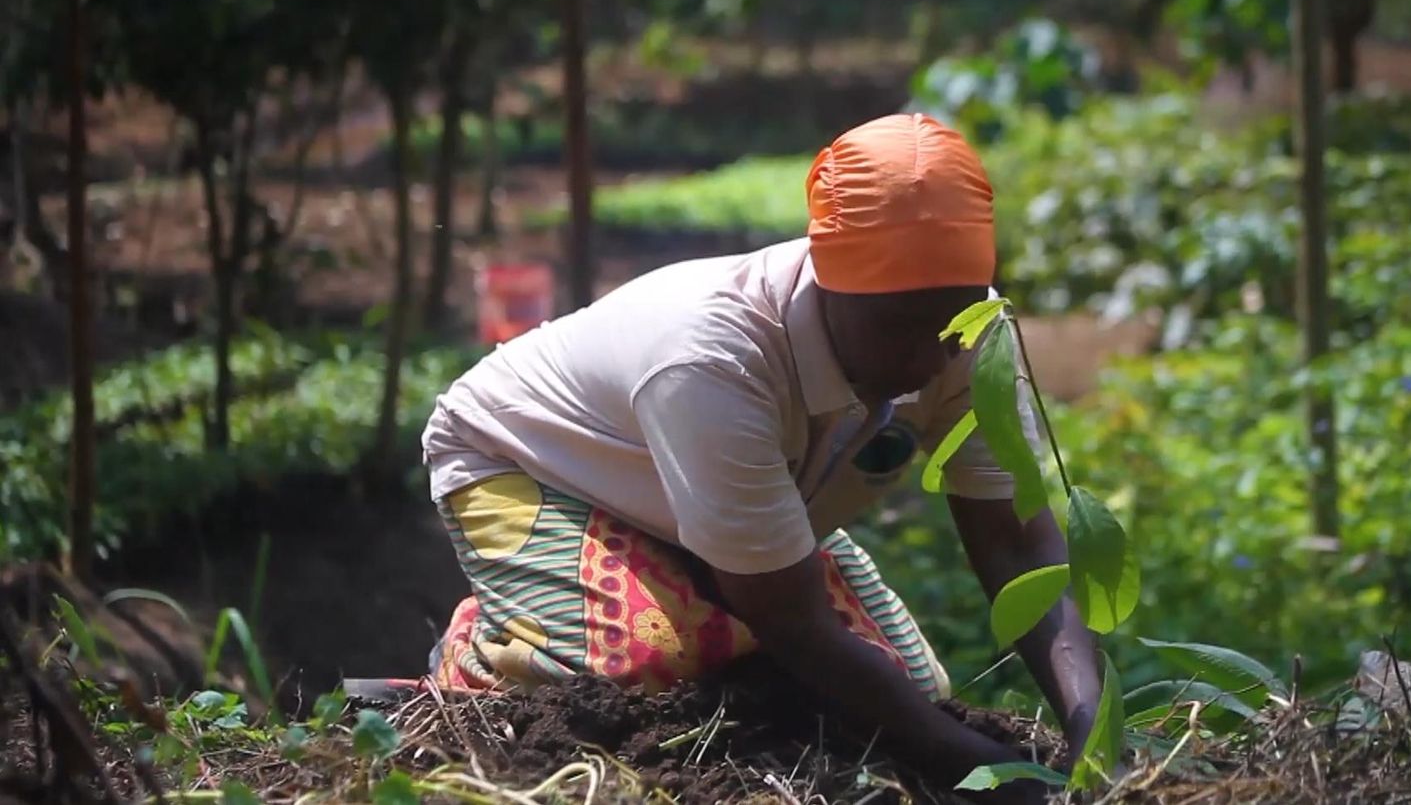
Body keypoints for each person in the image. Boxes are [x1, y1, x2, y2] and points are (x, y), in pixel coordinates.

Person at [420, 113, 1102, 798]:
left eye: (949, 326)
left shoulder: (971, 336)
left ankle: (694, 577)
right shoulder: (714, 359)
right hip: (531, 463)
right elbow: (787, 615)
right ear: (828, 279)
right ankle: (482, 656)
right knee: (651, 659)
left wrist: (1092, 733)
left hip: (703, 498)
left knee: (918, 685)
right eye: (898, 329)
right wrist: (974, 772)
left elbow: (1016, 548)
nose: (929, 359)